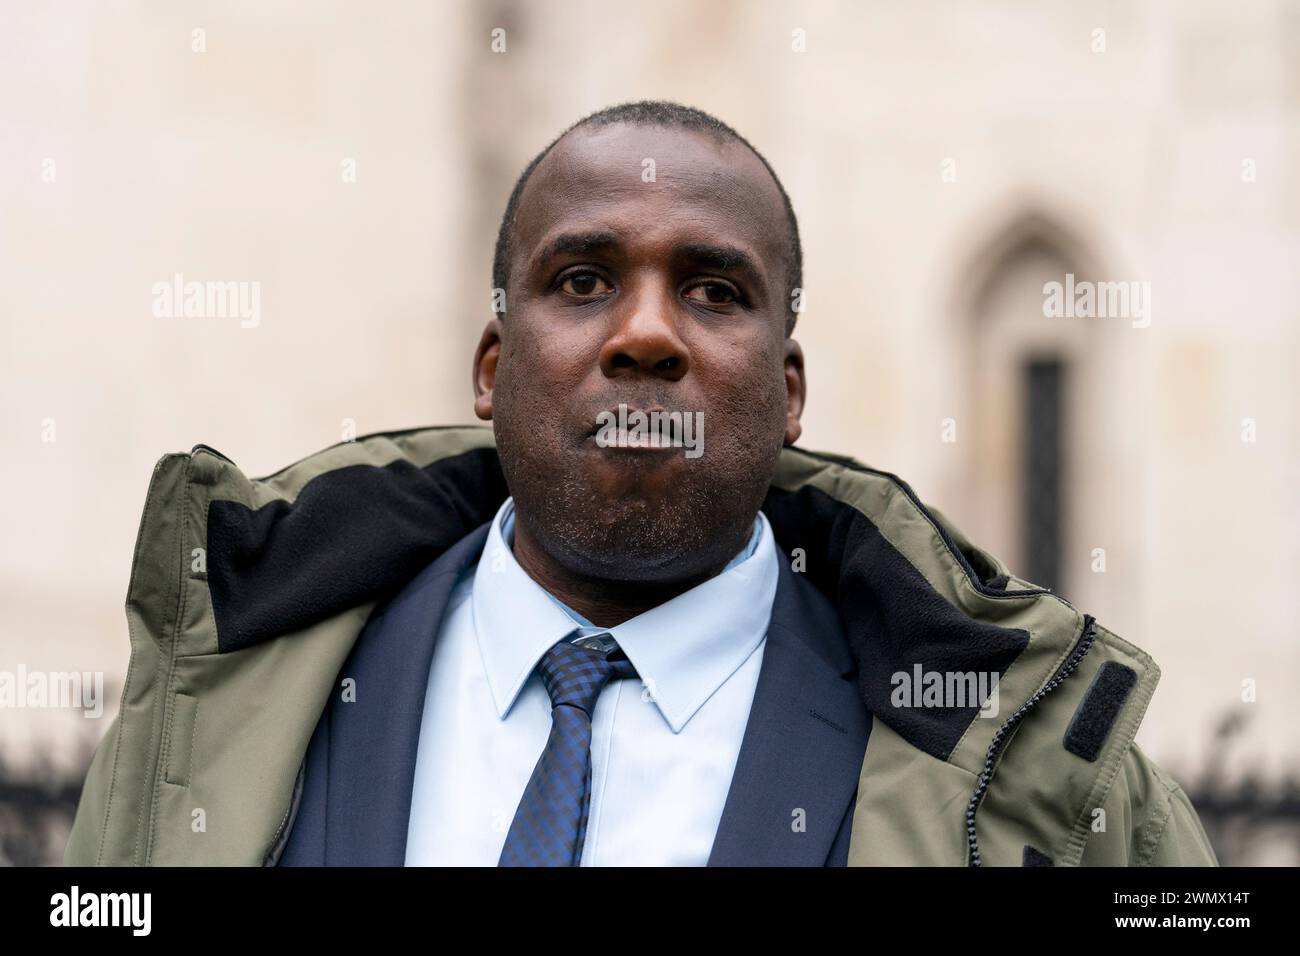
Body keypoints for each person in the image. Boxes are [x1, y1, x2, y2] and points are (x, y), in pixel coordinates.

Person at [66, 101, 1217, 866]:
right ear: (491, 365)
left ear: (791, 388)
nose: (648, 333)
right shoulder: (222, 704)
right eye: (581, 278)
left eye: (715, 292)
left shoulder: (1050, 782)